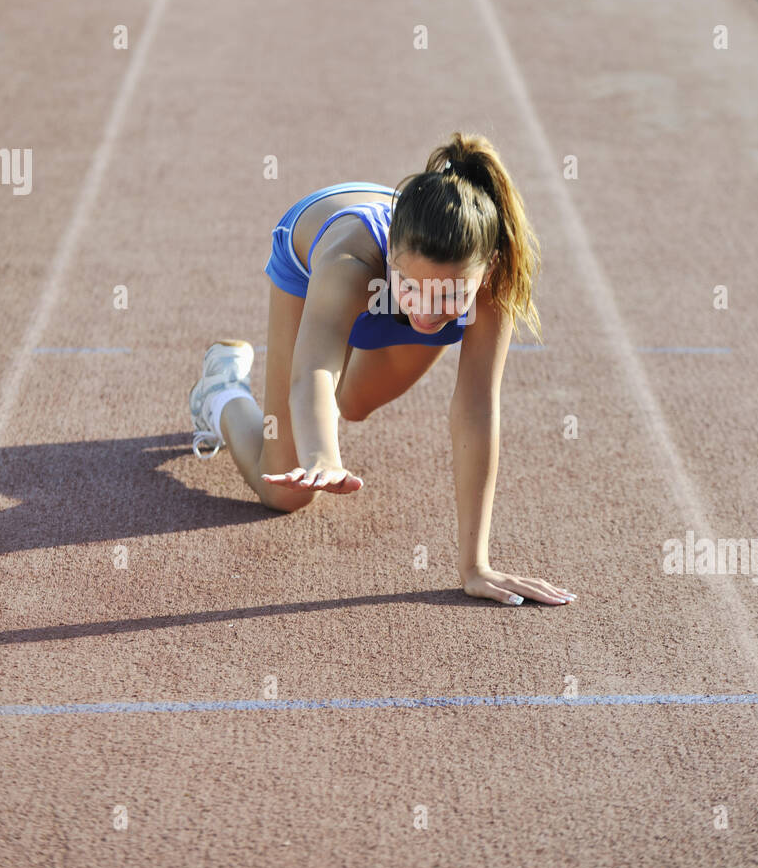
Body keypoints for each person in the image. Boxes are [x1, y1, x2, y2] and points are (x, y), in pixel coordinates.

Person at [189, 131, 576, 607]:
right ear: (393, 257)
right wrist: (321, 456)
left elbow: (476, 406)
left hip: (413, 260)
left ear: (488, 268)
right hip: (313, 254)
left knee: (354, 404)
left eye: (453, 297)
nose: (431, 314)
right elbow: (313, 371)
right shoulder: (350, 262)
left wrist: (475, 565)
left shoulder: (492, 281)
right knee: (288, 495)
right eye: (414, 289)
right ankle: (222, 391)